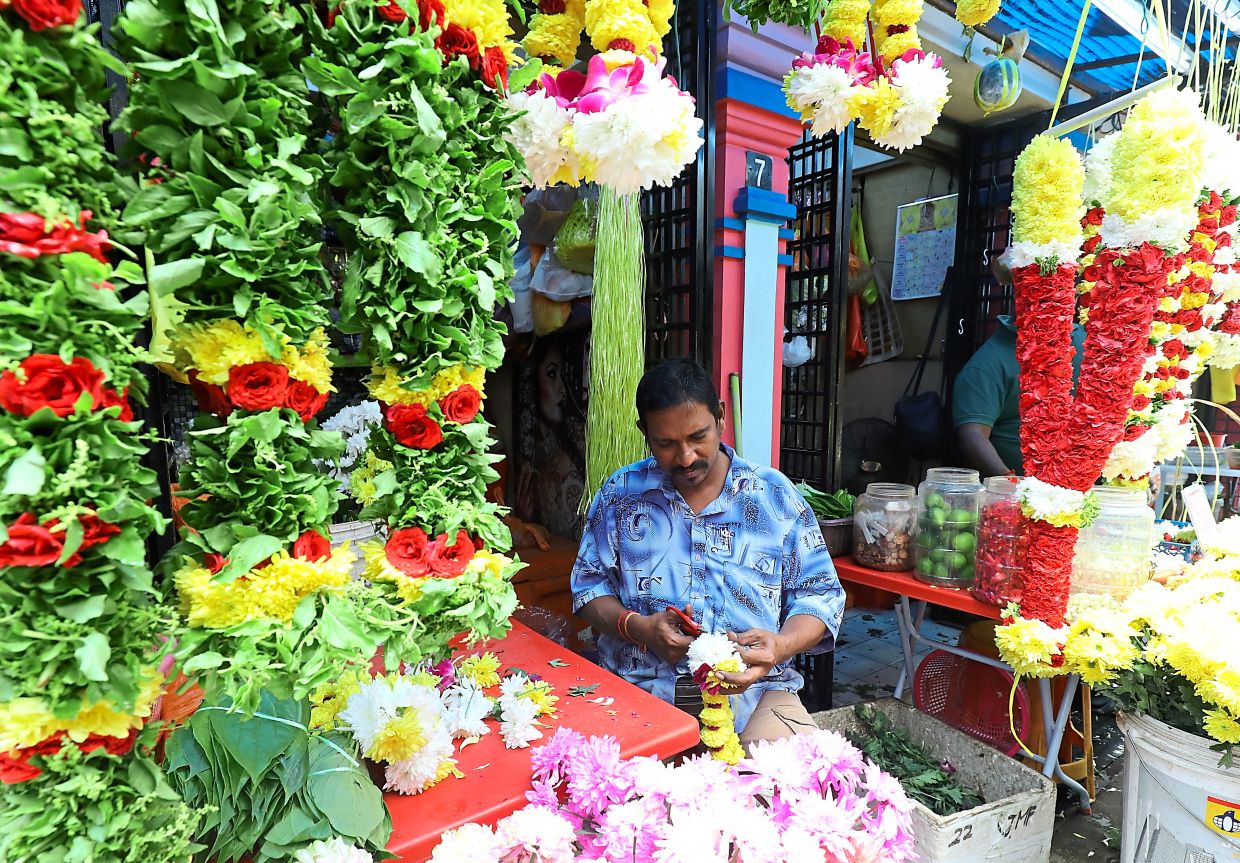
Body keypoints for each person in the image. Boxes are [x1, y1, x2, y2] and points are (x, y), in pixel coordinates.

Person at [571, 359, 845, 747]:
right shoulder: (621, 494)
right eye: (666, 443)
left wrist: (780, 646)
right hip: (639, 691)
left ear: (720, 418)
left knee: (796, 790)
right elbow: (587, 588)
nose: (685, 457)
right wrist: (639, 628)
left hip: (757, 694)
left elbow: (820, 595)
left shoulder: (772, 496)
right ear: (644, 434)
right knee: (617, 797)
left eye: (698, 436)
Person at [953, 312, 1086, 477]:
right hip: (1023, 490)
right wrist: (1010, 484)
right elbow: (973, 435)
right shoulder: (986, 363)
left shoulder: (1087, 341)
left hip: (1096, 485)